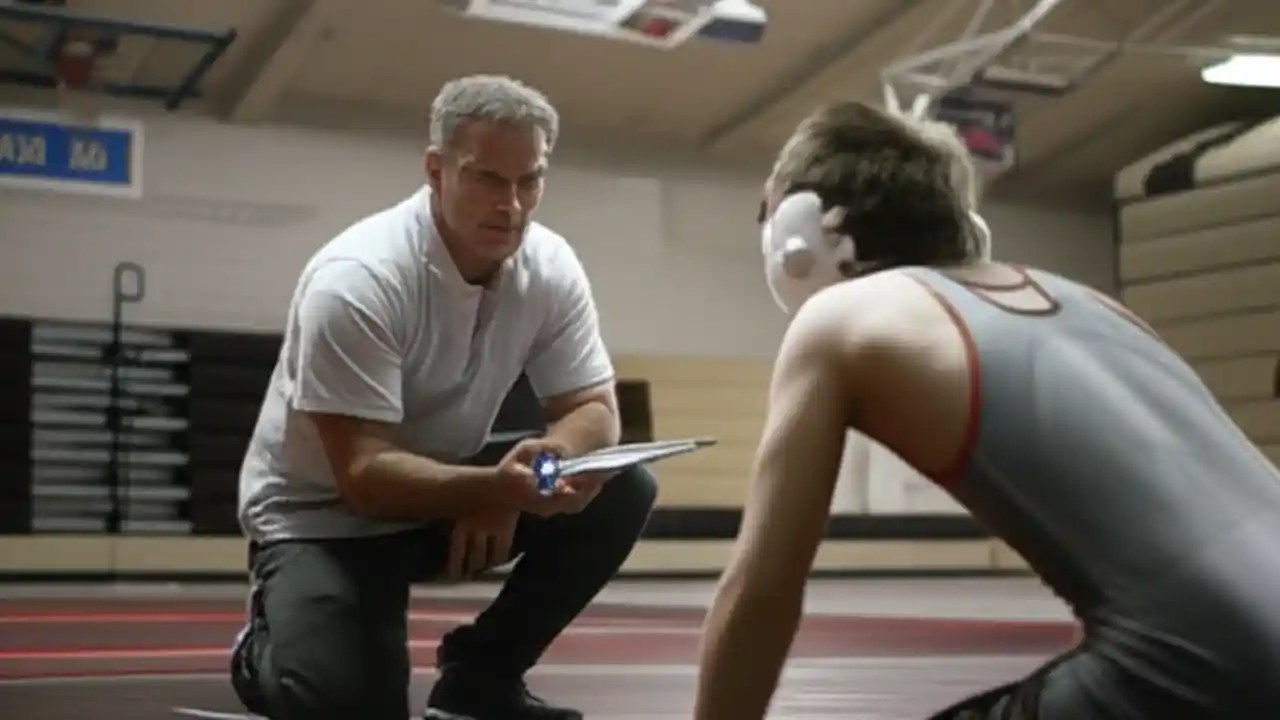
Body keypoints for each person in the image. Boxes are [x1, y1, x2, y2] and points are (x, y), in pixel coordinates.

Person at [692, 99, 1280, 719]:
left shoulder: (838, 320)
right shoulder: (1095, 304)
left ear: (803, 227)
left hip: (1204, 670)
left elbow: (760, 592)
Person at [228, 74, 658, 720]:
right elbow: (365, 478)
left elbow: (595, 411)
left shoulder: (551, 266)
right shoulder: (358, 279)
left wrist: (536, 472)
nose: (512, 204)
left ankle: (481, 677)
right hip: (322, 520)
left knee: (624, 488)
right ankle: (262, 648)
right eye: (487, 178)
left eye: (529, 181)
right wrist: (492, 490)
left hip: (443, 499)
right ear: (436, 171)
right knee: (348, 708)